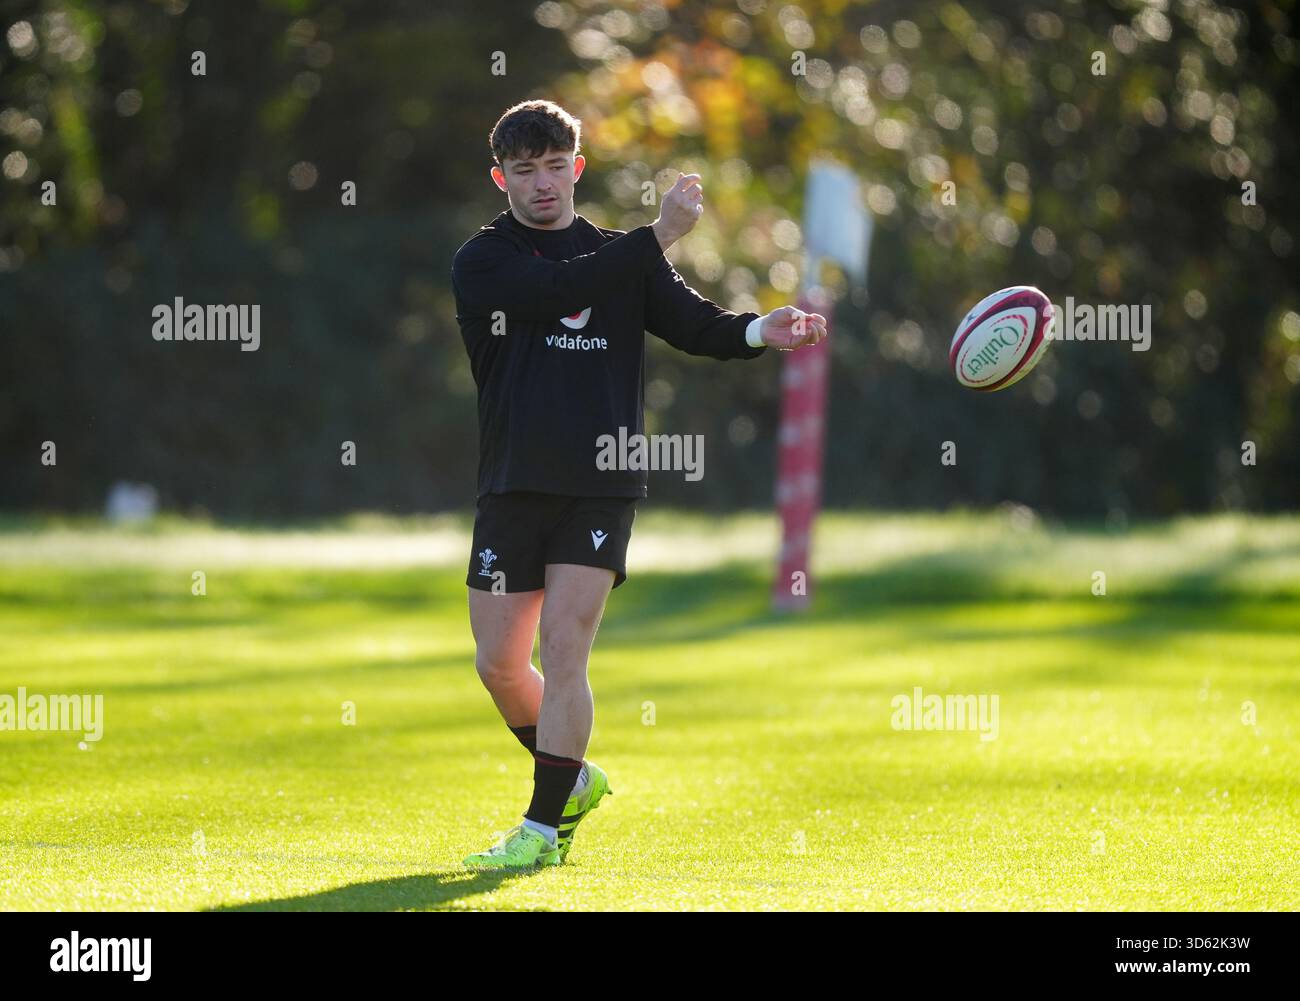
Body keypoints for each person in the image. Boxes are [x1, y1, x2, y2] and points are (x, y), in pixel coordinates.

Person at [451, 99, 826, 869]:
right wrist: (655, 236)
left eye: (556, 166)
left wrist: (762, 328)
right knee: (497, 663)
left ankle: (542, 829)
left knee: (564, 651)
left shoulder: (624, 258)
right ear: (502, 179)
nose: (544, 183)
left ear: (577, 167)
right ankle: (573, 777)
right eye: (525, 171)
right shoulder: (483, 262)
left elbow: (696, 325)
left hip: (600, 481)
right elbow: (555, 291)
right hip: (513, 483)